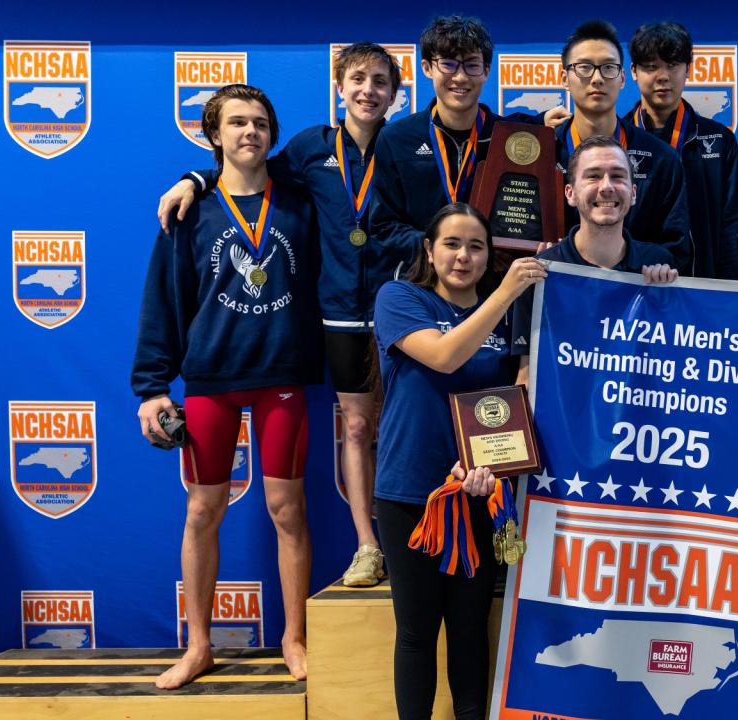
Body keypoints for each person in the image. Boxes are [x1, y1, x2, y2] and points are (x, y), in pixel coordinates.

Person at [155, 42, 402, 587]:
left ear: (395, 93)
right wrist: (194, 179)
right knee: (357, 427)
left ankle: (415, 546)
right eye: (357, 78)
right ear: (339, 87)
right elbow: (245, 170)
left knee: (411, 427)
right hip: (337, 315)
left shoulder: (408, 144)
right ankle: (368, 546)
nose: (368, 90)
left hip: (402, 308)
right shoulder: (312, 147)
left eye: (381, 81)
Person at [132, 84, 322, 687]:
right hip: (211, 379)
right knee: (202, 509)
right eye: (237, 123)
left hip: (282, 377)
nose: (250, 132)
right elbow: (163, 303)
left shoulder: (299, 202)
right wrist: (151, 387)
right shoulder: (190, 211)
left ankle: (294, 637)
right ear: (213, 136)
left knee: (287, 509)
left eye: (261, 123)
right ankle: (199, 645)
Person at [373, 203, 547, 719]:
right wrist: (505, 293)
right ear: (429, 250)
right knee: (417, 630)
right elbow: (446, 355)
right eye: (452, 243)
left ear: (490, 253)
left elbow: (518, 394)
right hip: (412, 492)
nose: (464, 256)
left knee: (471, 629)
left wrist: (492, 462)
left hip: (482, 490)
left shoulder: (512, 314)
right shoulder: (400, 298)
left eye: (476, 245)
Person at [512, 135, 679, 383]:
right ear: (570, 193)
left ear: (633, 193)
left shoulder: (659, 265)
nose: (606, 186)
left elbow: (676, 365)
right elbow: (527, 373)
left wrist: (666, 300)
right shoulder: (540, 273)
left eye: (618, 175)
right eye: (593, 176)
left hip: (634, 418)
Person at [551, 20, 692, 273]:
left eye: (608, 68)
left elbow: (675, 250)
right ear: (564, 78)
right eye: (584, 68)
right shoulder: (543, 151)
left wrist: (657, 270)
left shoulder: (662, 159)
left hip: (636, 303)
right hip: (559, 299)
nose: (596, 79)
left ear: (623, 78)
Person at [369, 15, 503, 274]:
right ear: (427, 68)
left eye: (472, 65)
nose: (461, 77)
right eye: (449, 64)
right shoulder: (396, 139)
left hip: (491, 286)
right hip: (422, 283)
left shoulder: (506, 137)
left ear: (486, 70)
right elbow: (383, 227)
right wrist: (440, 249)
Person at [625, 21, 738, 280]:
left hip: (702, 286)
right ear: (633, 71)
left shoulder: (719, 140)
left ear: (688, 69)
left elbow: (731, 225)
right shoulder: (618, 141)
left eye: (672, 65)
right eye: (651, 67)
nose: (663, 76)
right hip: (634, 284)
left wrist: (730, 290)